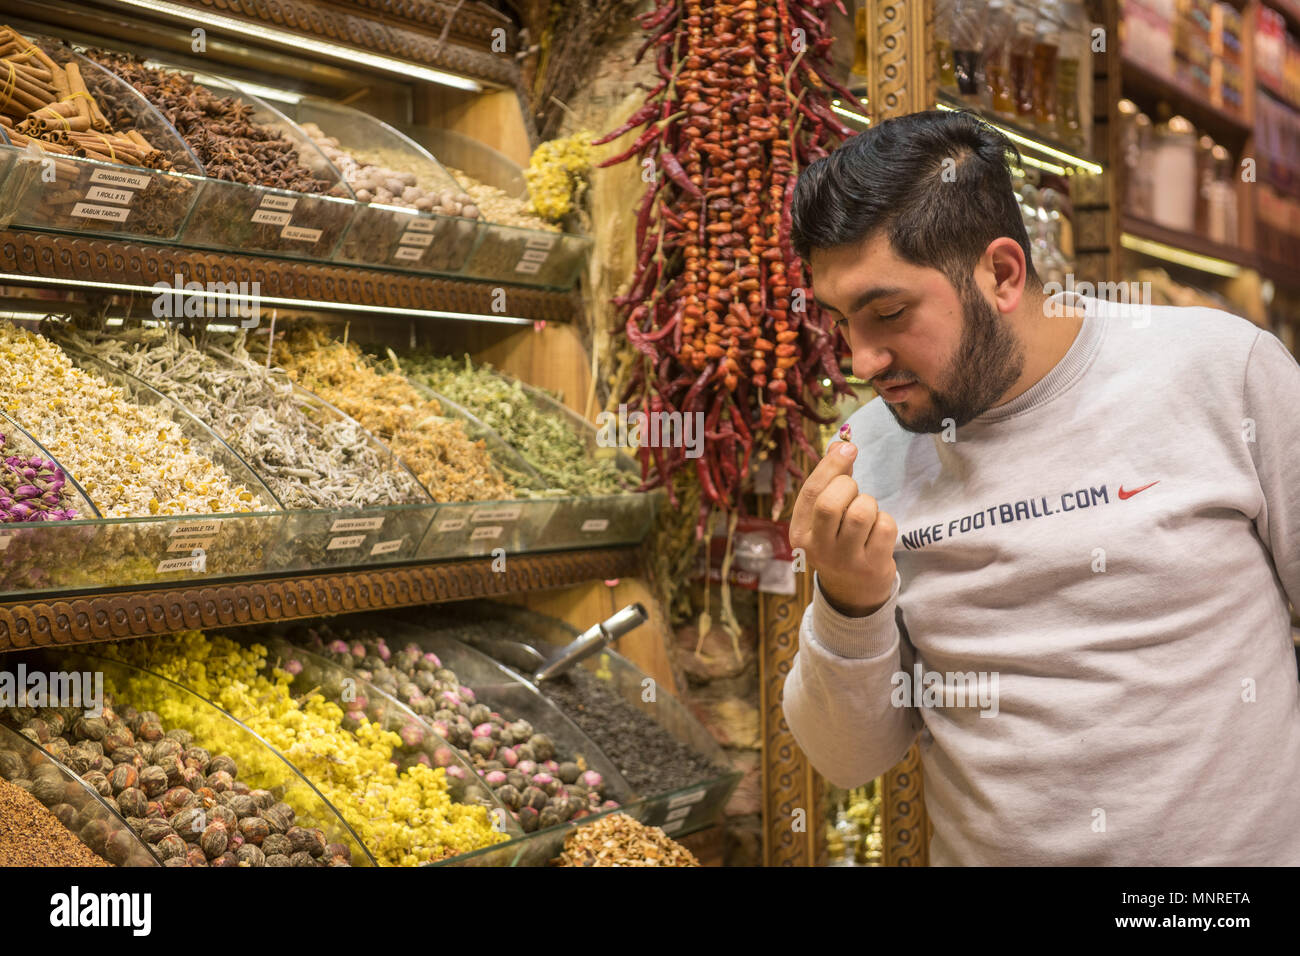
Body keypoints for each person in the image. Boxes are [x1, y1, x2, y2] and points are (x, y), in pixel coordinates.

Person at [781, 108, 1300, 865]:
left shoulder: (1221, 371)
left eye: (888, 313)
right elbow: (845, 758)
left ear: (1000, 274)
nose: (860, 359)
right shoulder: (869, 455)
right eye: (841, 321)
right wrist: (848, 600)